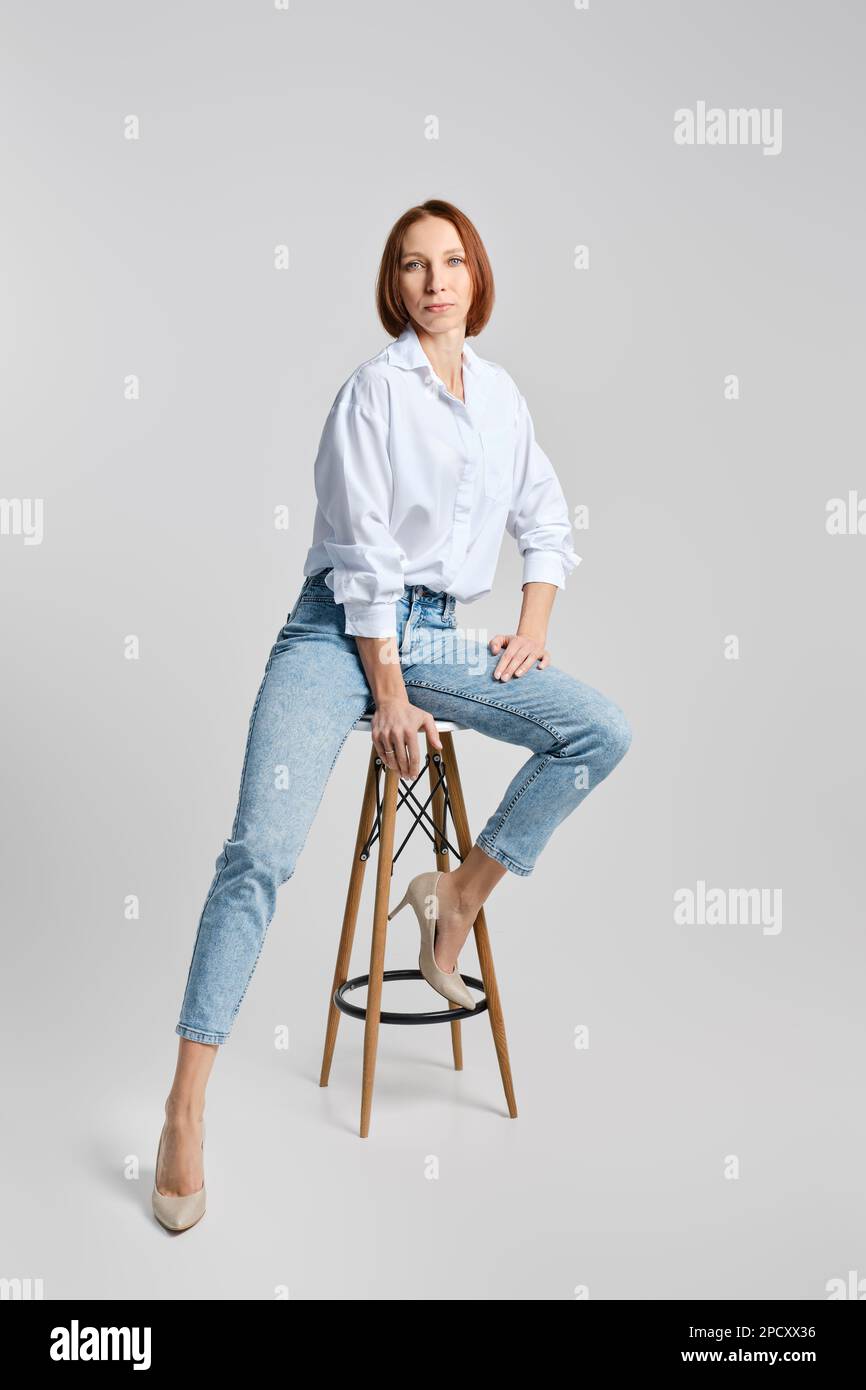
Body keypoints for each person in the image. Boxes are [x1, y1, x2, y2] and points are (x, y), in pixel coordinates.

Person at [151, 198, 632, 1232]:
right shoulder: (371, 394)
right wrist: (389, 694)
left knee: (598, 729)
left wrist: (530, 623)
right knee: (258, 854)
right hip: (335, 635)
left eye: (450, 260)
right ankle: (185, 1106)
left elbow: (544, 519)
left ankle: (455, 893)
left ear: (475, 273)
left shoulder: (500, 400)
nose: (433, 282)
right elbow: (362, 559)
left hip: (439, 633)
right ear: (394, 285)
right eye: (412, 266)